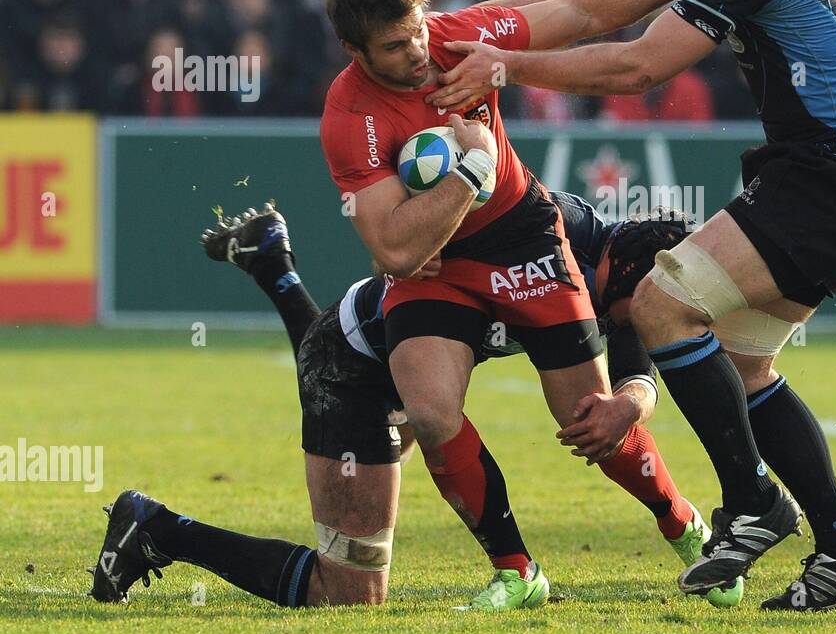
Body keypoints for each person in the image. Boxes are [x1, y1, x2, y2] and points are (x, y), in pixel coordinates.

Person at [427, 0, 836, 610]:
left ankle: (752, 503)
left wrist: (504, 67)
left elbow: (639, 68)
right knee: (745, 364)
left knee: (661, 303)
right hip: (823, 171)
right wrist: (462, 30)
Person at [316, 0, 725, 609]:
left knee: (588, 421)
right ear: (352, 49)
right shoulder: (348, 117)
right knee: (428, 408)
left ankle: (681, 521)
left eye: (418, 29)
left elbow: (579, 9)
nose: (418, 51)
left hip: (525, 239)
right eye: (394, 46)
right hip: (439, 267)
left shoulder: (458, 38)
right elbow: (394, 247)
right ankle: (516, 570)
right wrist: (471, 172)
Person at [91, 198, 742, 609]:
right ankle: (155, 529)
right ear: (630, 273)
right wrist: (424, 241)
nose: (662, 324)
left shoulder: (613, 278)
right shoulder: (553, 229)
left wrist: (640, 402)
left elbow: (624, 381)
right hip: (350, 372)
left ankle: (274, 266)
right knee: (347, 593)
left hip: (386, 357)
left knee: (420, 420)